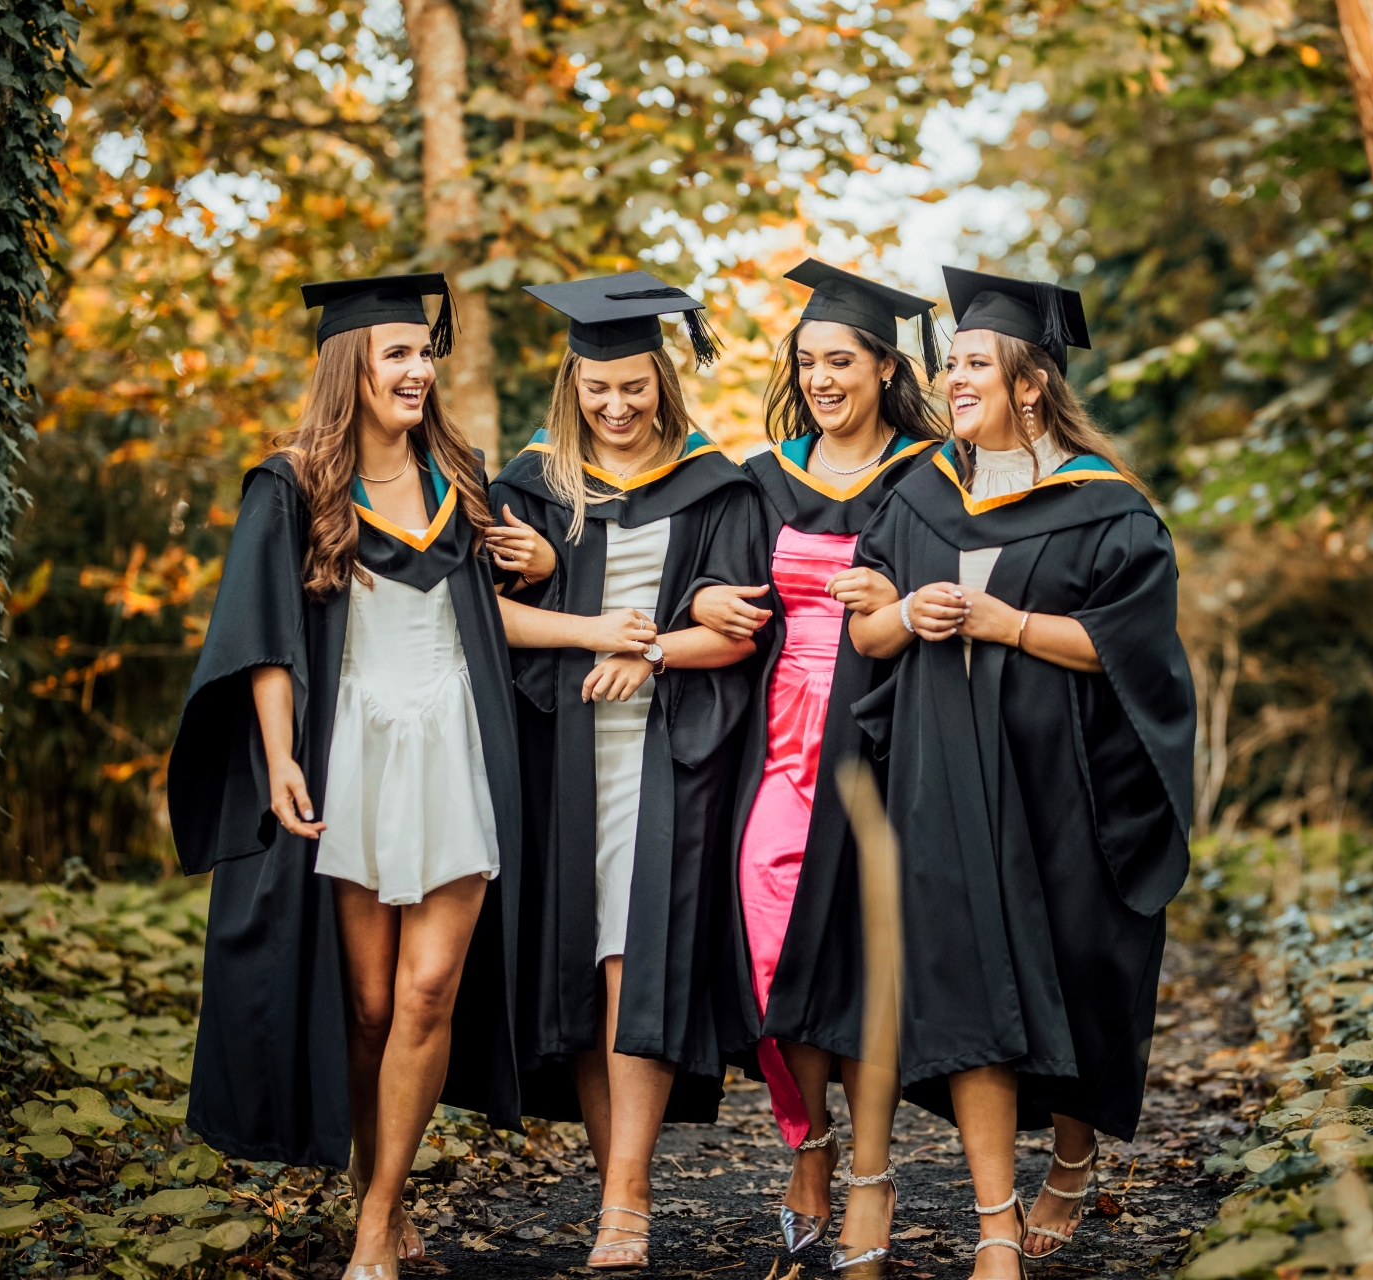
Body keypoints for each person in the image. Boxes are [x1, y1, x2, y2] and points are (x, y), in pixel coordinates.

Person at [166, 274, 524, 1280]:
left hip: (454, 739)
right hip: (353, 747)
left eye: (424, 353)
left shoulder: (463, 473)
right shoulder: (292, 485)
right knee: (367, 1003)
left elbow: (500, 607)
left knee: (426, 991)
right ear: (349, 369)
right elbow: (267, 635)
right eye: (397, 355)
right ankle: (384, 1180)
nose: (419, 370)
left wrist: (533, 564)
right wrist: (279, 755)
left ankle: (378, 1217)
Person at [847, 268, 1196, 1278]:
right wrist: (906, 614)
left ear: (1031, 382)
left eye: (973, 364)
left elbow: (1135, 649)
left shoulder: (1106, 508)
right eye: (949, 363)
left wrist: (1008, 623)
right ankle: (995, 1219)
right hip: (946, 778)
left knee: (1080, 971)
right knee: (968, 983)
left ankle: (1074, 1159)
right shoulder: (917, 495)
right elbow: (868, 632)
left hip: (1068, 781)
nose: (952, 379)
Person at [480, 272, 768, 1271]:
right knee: (580, 962)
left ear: (663, 380)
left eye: (635, 386)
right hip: (562, 747)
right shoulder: (529, 487)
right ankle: (617, 1192)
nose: (616, 406)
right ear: (572, 385)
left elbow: (736, 631)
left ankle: (628, 1198)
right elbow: (489, 618)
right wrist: (573, 601)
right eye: (597, 389)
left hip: (670, 747)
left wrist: (653, 645)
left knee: (630, 960)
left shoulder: (718, 484)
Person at [691, 260, 946, 1269]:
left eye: (841, 358)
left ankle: (871, 1174)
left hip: (885, 725)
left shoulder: (934, 474)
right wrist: (708, 599)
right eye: (808, 361)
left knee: (864, 950)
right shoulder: (764, 473)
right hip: (781, 732)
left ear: (885, 364)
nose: (822, 377)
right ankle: (810, 1141)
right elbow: (716, 580)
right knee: (770, 934)